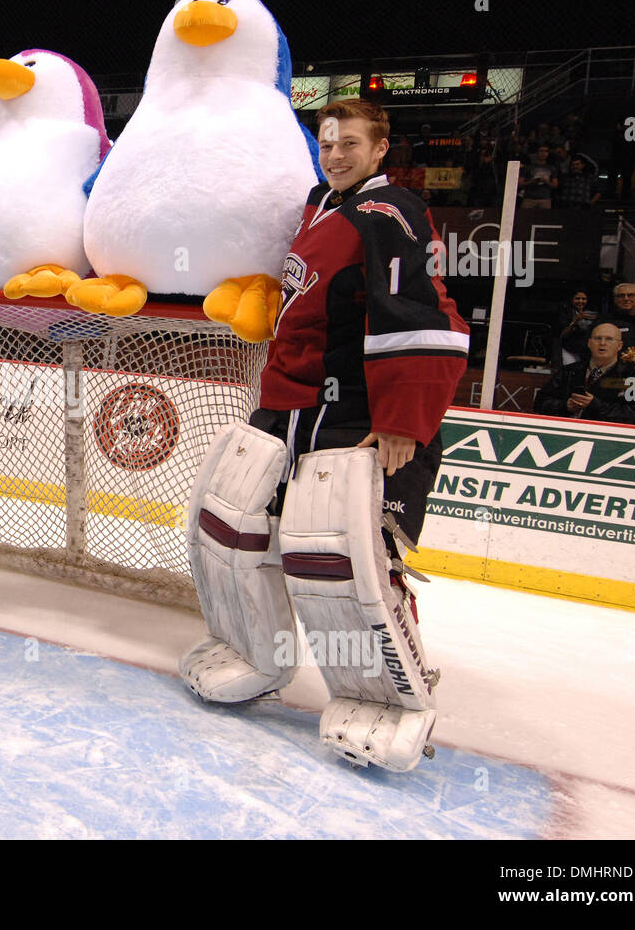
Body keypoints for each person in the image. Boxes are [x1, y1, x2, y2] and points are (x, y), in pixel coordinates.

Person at [181, 98, 469, 773]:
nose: (334, 154)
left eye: (349, 145)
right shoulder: (322, 208)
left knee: (352, 561)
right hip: (289, 410)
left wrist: (403, 419)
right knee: (236, 534)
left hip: (356, 420)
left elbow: (426, 311)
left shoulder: (388, 211)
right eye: (327, 143)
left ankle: (397, 698)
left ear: (379, 150)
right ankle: (258, 655)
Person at [533, 322, 635, 424]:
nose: (602, 343)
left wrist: (596, 405)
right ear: (589, 343)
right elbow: (540, 402)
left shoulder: (630, 377)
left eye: (609, 339)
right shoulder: (569, 371)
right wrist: (565, 406)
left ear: (619, 345)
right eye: (598, 338)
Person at [554, 289, 596, 366]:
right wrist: (576, 320)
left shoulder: (590, 312)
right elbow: (563, 335)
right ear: (571, 299)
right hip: (568, 349)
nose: (580, 301)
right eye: (577, 298)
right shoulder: (564, 312)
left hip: (584, 351)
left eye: (584, 299)